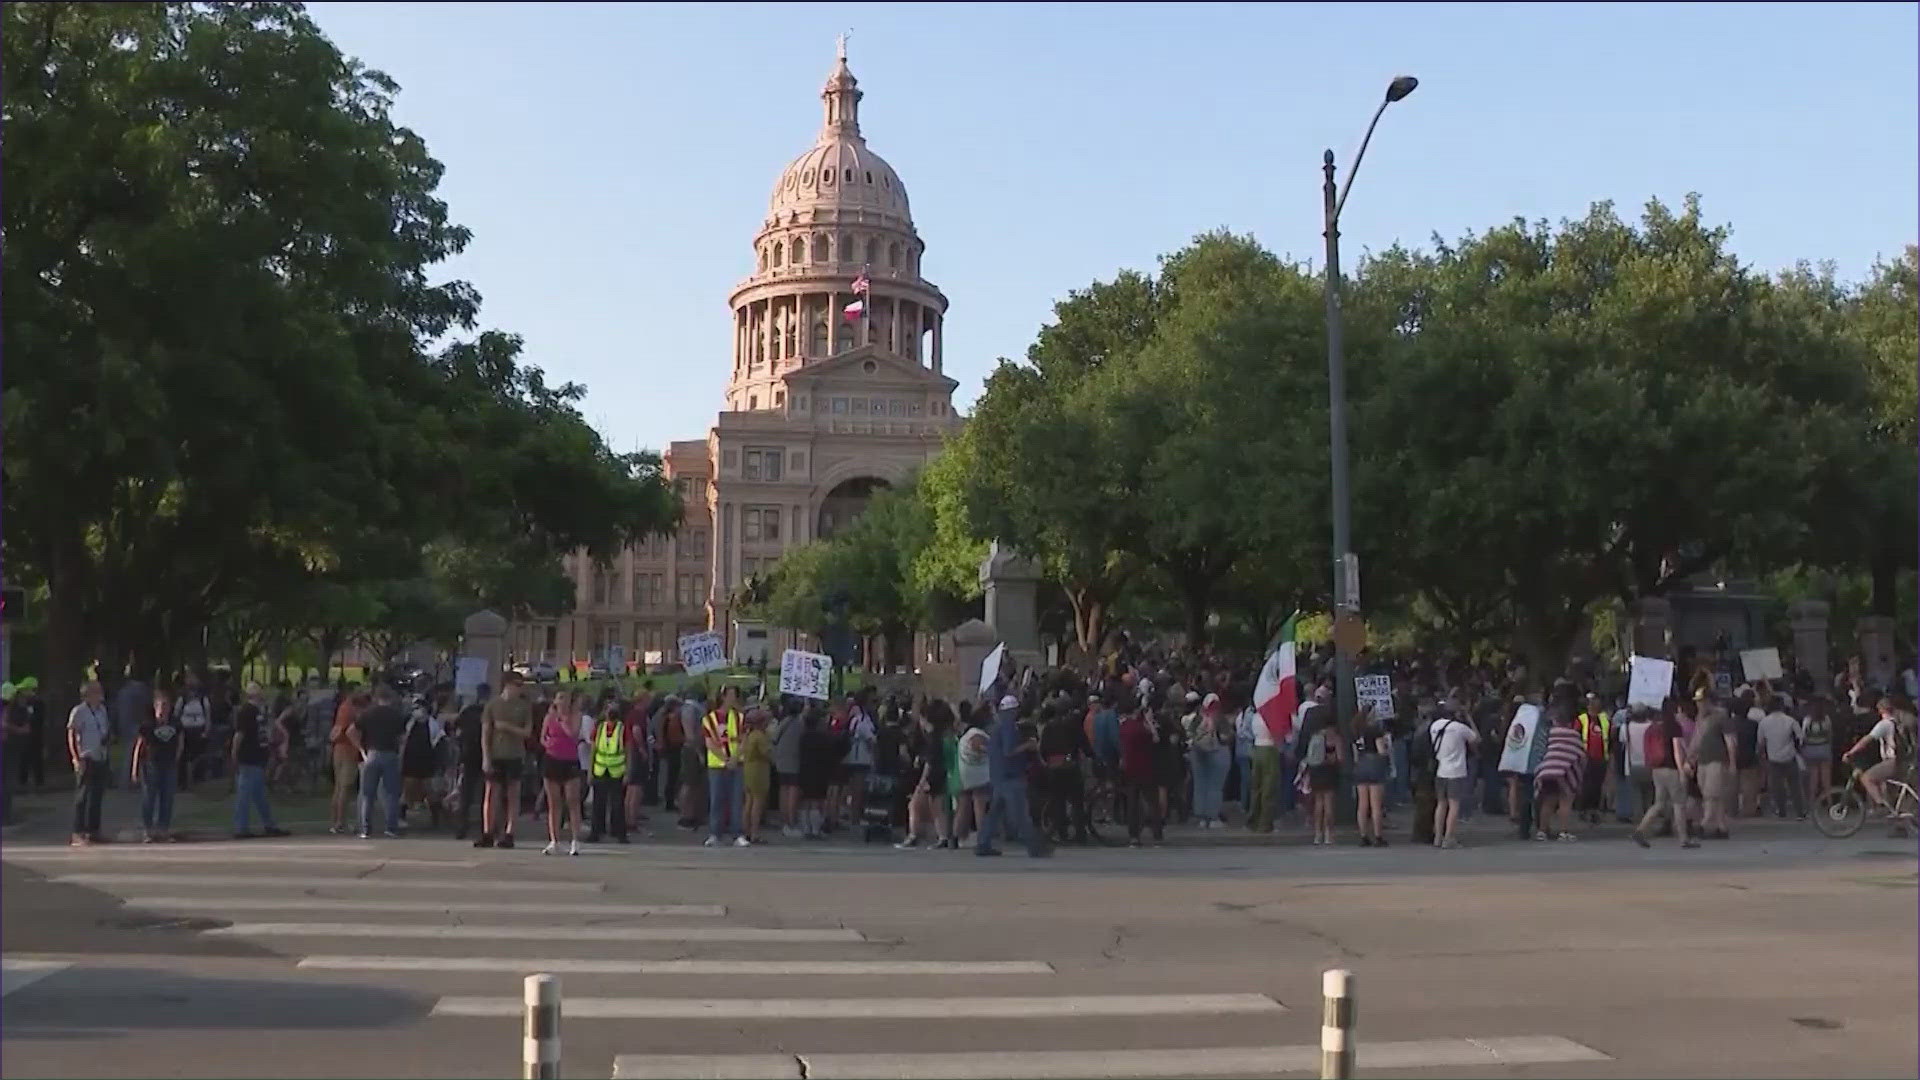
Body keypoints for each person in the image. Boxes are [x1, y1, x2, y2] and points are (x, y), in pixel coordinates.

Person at [977, 695, 1047, 858]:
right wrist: (1028, 745)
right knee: (1020, 814)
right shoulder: (1009, 726)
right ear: (1014, 710)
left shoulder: (996, 727)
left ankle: (983, 843)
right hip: (1011, 776)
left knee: (994, 813)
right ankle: (1034, 847)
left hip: (998, 776)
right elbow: (1009, 751)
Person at [477, 672, 533, 849]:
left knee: (513, 795)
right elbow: (486, 733)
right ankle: (488, 832)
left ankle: (509, 833)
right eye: (517, 684)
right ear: (507, 684)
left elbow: (527, 732)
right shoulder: (492, 705)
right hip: (496, 754)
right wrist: (486, 757)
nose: (520, 688)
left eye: (521, 684)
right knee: (491, 793)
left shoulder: (524, 706)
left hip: (515, 754)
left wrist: (507, 727)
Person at [1632, 701, 1698, 848]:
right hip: (1671, 769)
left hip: (1657, 769)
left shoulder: (1652, 728)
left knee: (1659, 803)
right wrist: (1682, 770)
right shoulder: (1673, 727)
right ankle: (1684, 839)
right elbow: (1677, 750)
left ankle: (1641, 830)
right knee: (1679, 804)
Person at [230, 682, 289, 839]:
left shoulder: (258, 711)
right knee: (244, 795)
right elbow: (239, 735)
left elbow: (264, 733)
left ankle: (269, 824)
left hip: (258, 758)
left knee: (259, 795)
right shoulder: (246, 711)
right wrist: (234, 754)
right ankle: (241, 828)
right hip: (248, 758)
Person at [1841, 697, 1912, 816]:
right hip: (1903, 761)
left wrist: (1851, 752)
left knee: (1867, 777)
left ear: (1880, 710)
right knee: (1892, 793)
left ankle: (1881, 804)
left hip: (1892, 761)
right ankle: (1898, 823)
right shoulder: (1897, 722)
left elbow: (1866, 740)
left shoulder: (1884, 724)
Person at [353, 684, 408, 839]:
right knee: (391, 793)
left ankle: (365, 829)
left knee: (367, 794)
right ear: (390, 698)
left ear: (376, 698)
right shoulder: (396, 715)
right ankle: (391, 828)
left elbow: (352, 731)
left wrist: (362, 749)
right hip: (390, 754)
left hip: (372, 754)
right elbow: (402, 739)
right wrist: (401, 756)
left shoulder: (367, 713)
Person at [537, 690, 585, 855]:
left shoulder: (575, 716)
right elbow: (542, 737)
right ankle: (554, 840)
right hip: (552, 759)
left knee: (572, 800)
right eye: (560, 698)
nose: (563, 702)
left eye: (566, 699)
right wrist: (547, 743)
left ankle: (575, 840)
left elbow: (573, 734)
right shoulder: (549, 717)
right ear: (555, 701)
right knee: (554, 802)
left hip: (570, 760)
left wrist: (563, 720)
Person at [898, 707, 951, 849]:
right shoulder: (939, 737)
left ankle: (914, 835)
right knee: (936, 808)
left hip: (931, 777)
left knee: (914, 805)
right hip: (939, 775)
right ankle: (942, 837)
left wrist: (922, 781)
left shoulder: (932, 739)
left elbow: (930, 763)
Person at [68, 680, 112, 846]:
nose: (100, 694)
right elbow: (72, 735)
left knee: (97, 796)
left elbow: (105, 731)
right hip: (85, 756)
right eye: (97, 691)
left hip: (100, 755)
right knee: (83, 796)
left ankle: (93, 831)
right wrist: (76, 757)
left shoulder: (102, 710)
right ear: (88, 694)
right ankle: (77, 832)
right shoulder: (79, 711)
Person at [1532, 709, 1586, 842]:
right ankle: (1563, 832)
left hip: (1547, 770)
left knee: (1548, 802)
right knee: (1565, 802)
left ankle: (1542, 832)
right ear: (1570, 723)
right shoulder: (1574, 735)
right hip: (1565, 772)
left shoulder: (1550, 734)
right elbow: (1581, 755)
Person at [1429, 704, 1479, 849]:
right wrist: (1469, 718)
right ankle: (1449, 837)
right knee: (1454, 805)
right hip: (1456, 771)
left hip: (1440, 769)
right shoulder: (1459, 728)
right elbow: (1476, 739)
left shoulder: (1434, 726)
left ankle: (1438, 836)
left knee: (1441, 804)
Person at [1755, 690, 1808, 820]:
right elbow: (1801, 738)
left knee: (1776, 787)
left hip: (1773, 758)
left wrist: (1761, 754)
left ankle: (1781, 810)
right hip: (1789, 756)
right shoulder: (1790, 721)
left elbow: (1761, 742)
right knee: (1795, 786)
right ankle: (1800, 812)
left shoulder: (1764, 722)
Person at [1690, 696, 1737, 840]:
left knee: (1711, 794)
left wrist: (1732, 763)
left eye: (1702, 701)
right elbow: (1696, 740)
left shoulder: (1721, 717)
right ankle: (1721, 826)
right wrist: (1690, 758)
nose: (1699, 704)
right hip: (1703, 761)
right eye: (1697, 702)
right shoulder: (1700, 719)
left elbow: (1730, 741)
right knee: (1713, 794)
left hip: (1716, 760)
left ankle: (1704, 824)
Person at [703, 686, 745, 847]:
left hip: (737, 763)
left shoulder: (739, 718)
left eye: (735, 696)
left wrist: (734, 758)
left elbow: (743, 740)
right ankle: (715, 833)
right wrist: (725, 759)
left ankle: (737, 833)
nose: (733, 699)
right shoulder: (709, 719)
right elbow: (710, 743)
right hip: (717, 764)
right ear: (723, 697)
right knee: (716, 800)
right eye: (730, 695)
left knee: (736, 800)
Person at [1184, 693, 1231, 829]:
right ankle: (1213, 817)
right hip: (1217, 753)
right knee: (1215, 786)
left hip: (1197, 753)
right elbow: (1225, 736)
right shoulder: (1219, 717)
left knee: (1200, 784)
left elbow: (1190, 734)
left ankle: (1202, 818)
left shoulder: (1198, 717)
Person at [1118, 704, 1162, 846]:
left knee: (1132, 803)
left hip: (1130, 769)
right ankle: (1157, 834)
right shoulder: (1141, 729)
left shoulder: (1125, 727)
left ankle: (1134, 836)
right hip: (1146, 769)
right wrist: (1149, 722)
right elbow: (1156, 739)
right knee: (1153, 802)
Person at [587, 701, 630, 843]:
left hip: (617, 772)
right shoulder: (599, 729)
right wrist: (590, 771)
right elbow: (593, 750)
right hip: (600, 770)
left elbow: (628, 751)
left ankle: (619, 833)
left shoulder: (622, 729)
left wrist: (628, 772)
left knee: (617, 805)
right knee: (598, 804)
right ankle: (596, 832)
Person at [452, 684, 489, 840]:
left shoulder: (468, 711)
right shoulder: (489, 711)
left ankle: (462, 827)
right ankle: (484, 826)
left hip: (468, 754)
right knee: (485, 793)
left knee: (466, 793)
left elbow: (456, 730)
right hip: (485, 754)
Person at [1351, 706, 1391, 847]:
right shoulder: (1375, 730)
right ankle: (1378, 836)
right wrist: (1387, 748)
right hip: (1374, 764)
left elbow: (1355, 753)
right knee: (1376, 805)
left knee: (1362, 804)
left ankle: (1363, 836)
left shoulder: (1356, 731)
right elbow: (1381, 751)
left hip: (1361, 764)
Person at [326, 688, 364, 835]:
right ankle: (340, 822)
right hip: (348, 748)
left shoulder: (342, 708)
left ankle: (335, 821)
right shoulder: (352, 710)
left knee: (338, 787)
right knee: (345, 788)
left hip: (338, 748)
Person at [952, 704, 992, 846]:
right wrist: (989, 750)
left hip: (964, 773)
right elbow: (976, 745)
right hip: (978, 775)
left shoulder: (966, 733)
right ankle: (983, 838)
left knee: (963, 806)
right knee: (979, 806)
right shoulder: (978, 734)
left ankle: (955, 837)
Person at [770, 699, 805, 837]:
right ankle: (790, 822)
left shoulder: (784, 722)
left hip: (781, 760)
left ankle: (784, 820)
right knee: (792, 791)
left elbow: (774, 738)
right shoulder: (800, 723)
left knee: (783, 790)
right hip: (794, 760)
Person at [739, 707, 772, 845]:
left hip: (748, 769)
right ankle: (755, 833)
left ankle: (746, 831)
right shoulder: (760, 736)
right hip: (759, 770)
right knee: (757, 804)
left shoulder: (748, 736)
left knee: (748, 802)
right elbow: (767, 753)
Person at [1800, 696, 1835, 810]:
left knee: (1813, 777)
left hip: (1811, 749)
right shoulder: (1826, 719)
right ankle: (1829, 801)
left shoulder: (1807, 720)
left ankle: (1812, 801)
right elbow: (1830, 734)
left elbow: (1803, 735)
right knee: (1826, 778)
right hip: (1824, 748)